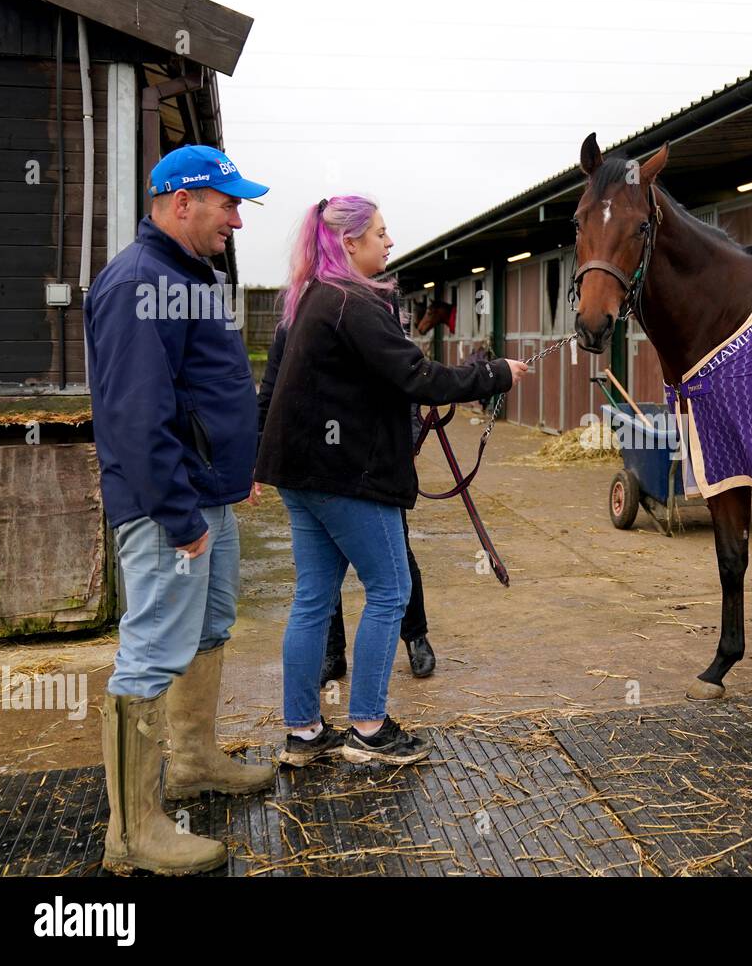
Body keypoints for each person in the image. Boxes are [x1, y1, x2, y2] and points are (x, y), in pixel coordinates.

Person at [255, 195, 526, 767]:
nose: (389, 241)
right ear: (349, 242)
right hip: (345, 474)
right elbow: (415, 375)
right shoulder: (354, 301)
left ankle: (303, 733)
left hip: (301, 474)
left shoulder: (311, 298)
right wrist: (494, 374)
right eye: (380, 232)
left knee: (312, 598)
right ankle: (370, 729)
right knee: (390, 590)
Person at [84, 145, 273, 876]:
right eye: (227, 204)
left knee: (208, 625)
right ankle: (133, 832)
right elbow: (136, 417)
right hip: (171, 508)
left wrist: (233, 476)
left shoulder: (186, 276)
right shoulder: (140, 281)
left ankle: (191, 763)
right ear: (182, 200)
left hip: (206, 496)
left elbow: (200, 392)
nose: (236, 219)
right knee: (153, 649)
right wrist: (180, 515)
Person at [256, 308, 435, 686]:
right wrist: (256, 454)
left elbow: (407, 380)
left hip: (372, 464)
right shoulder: (294, 322)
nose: (387, 244)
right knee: (332, 575)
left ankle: (416, 636)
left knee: (395, 554)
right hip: (323, 467)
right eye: (380, 241)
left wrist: (407, 440)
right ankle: (334, 654)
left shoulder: (375, 310)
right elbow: (272, 392)